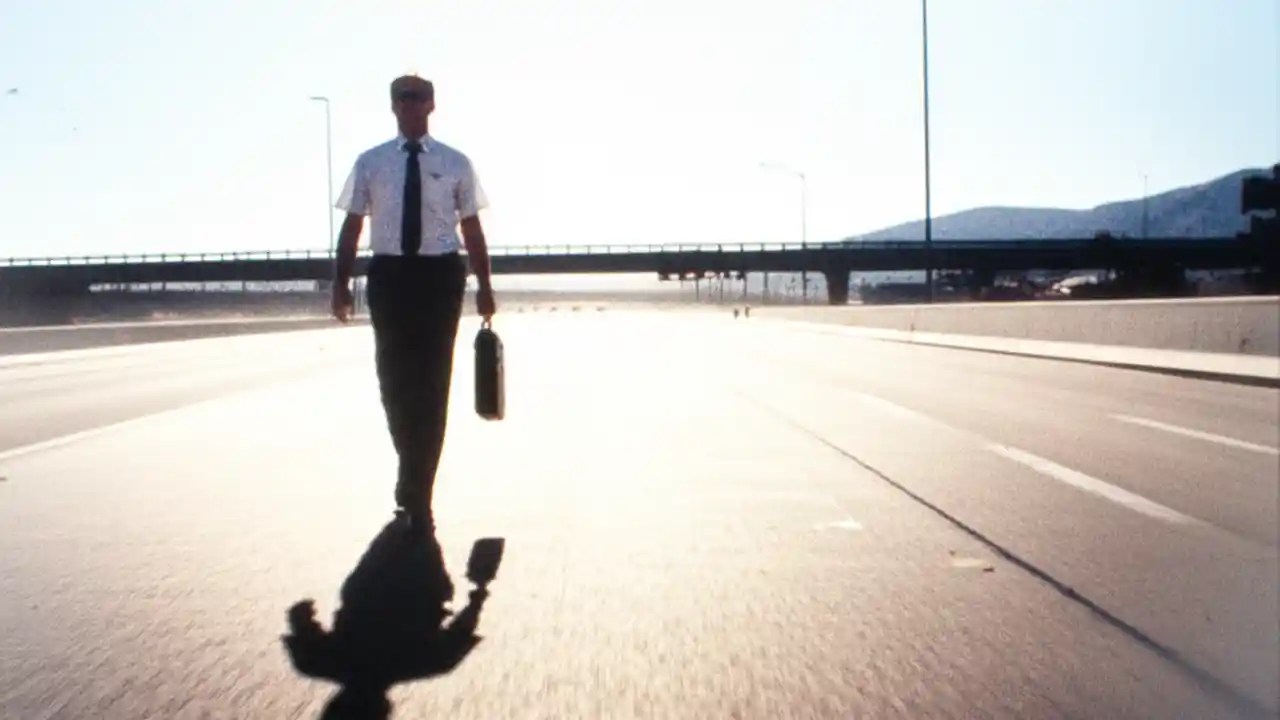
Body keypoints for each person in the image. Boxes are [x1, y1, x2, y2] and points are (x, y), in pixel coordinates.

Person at [330, 74, 496, 531]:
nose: (412, 106)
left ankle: (417, 487)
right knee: (393, 380)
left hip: (439, 275)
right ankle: (412, 464)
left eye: (419, 98)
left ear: (432, 105)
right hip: (390, 276)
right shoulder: (372, 163)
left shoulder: (455, 163)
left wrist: (484, 286)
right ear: (393, 107)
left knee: (433, 381)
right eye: (403, 99)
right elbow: (352, 227)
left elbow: (473, 230)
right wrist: (340, 284)